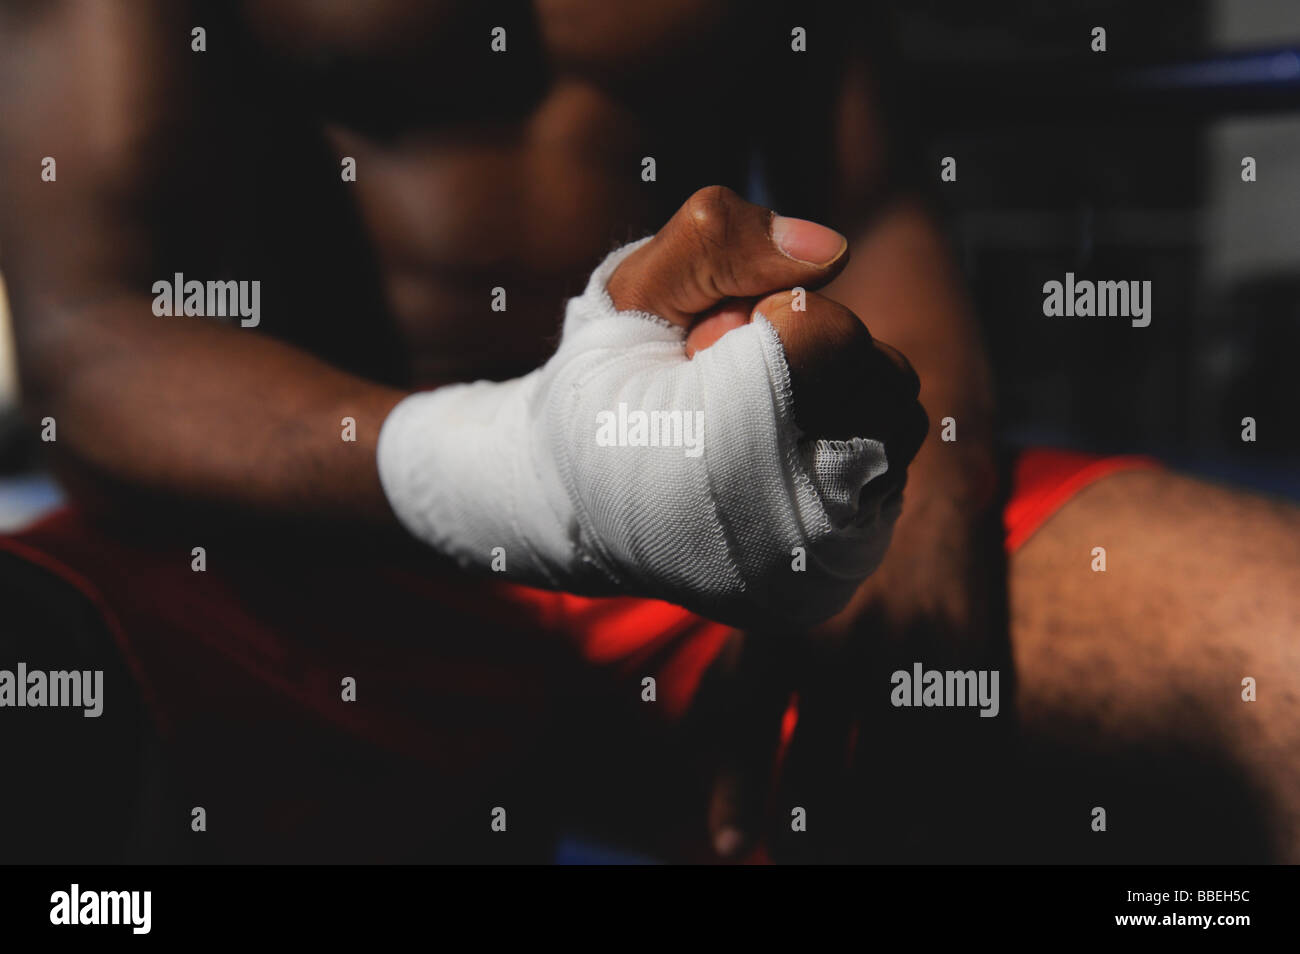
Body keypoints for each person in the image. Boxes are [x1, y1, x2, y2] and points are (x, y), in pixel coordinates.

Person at [0, 0, 1296, 863]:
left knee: (1278, 645)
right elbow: (94, 329)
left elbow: (878, 205)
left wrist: (922, 511)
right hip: (303, 538)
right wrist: (518, 468)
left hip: (730, 514)